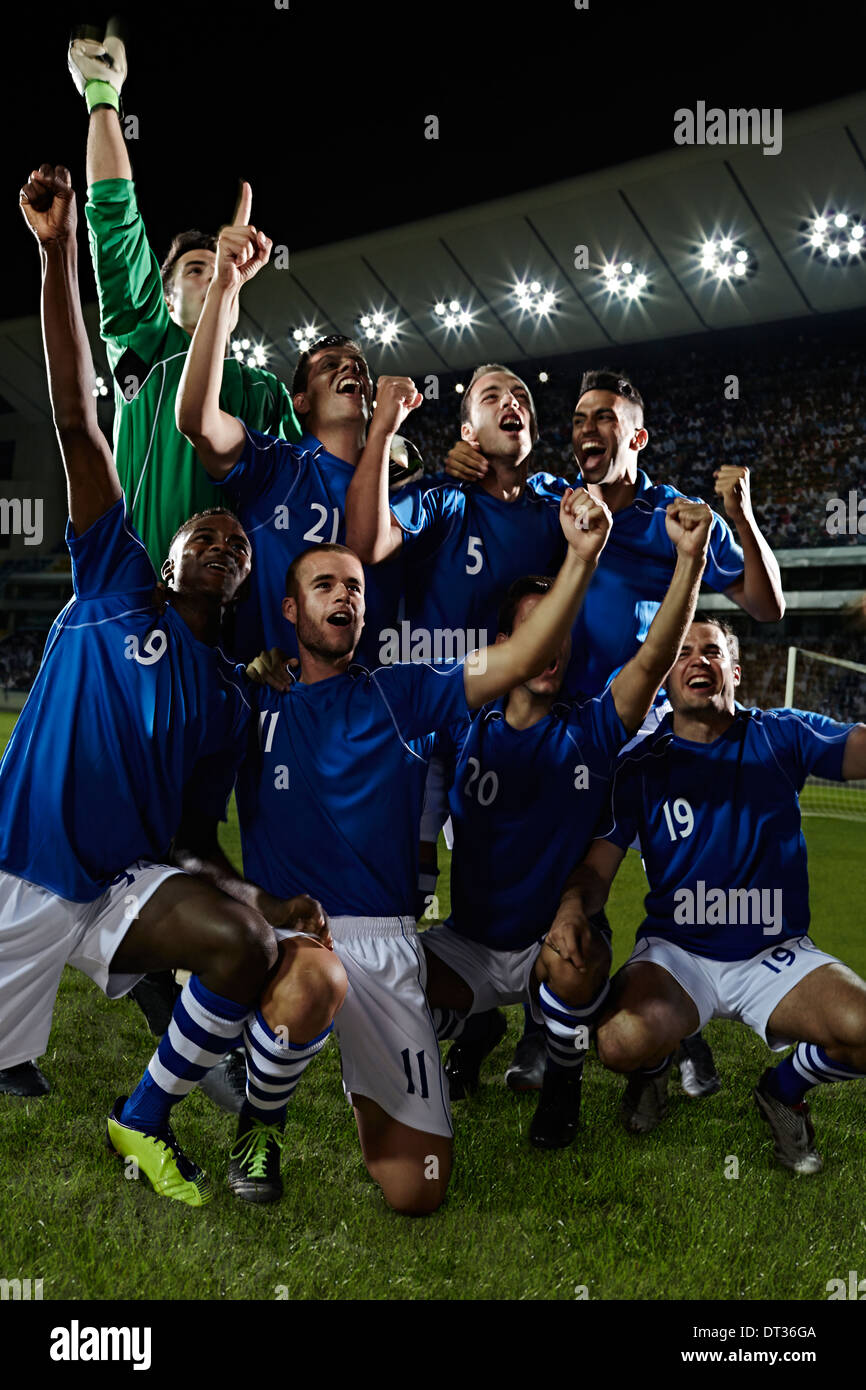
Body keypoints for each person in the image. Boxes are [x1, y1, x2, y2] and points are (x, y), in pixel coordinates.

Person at [0, 164, 344, 1206]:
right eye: (208, 527)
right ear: (173, 543)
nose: (224, 536)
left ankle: (140, 1122)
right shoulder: (111, 573)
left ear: (243, 579)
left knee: (246, 942)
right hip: (16, 875)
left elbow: (192, 840)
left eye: (238, 540)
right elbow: (75, 416)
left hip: (113, 890)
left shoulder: (227, 701)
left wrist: (263, 896)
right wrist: (58, 256)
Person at [235, 476, 613, 1213]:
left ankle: (370, 1067)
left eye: (354, 586)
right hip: (291, 933)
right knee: (314, 983)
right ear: (290, 610)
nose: (343, 595)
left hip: (385, 944)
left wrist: (582, 558)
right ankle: (259, 1121)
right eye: (323, 585)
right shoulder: (250, 697)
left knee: (420, 1190)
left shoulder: (402, 693)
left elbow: (518, 655)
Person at [445, 367, 785, 1090]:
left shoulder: (676, 515)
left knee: (660, 878)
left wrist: (742, 513)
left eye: (603, 417)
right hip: (547, 727)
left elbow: (764, 606)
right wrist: (461, 456)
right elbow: (498, 491)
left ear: (637, 434)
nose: (584, 430)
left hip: (635, 736)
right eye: (576, 419)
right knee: (528, 867)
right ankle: (510, 1021)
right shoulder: (555, 500)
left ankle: (666, 1021)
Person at [421, 494, 712, 1147]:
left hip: (549, 942)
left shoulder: (593, 727)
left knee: (579, 958)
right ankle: (463, 1042)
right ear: (504, 647)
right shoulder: (459, 722)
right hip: (467, 940)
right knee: (380, 981)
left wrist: (689, 561)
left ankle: (562, 1086)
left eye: (560, 632)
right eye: (535, 630)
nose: (550, 646)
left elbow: (654, 657)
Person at [551, 615, 866, 1170]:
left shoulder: (782, 734)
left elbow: (859, 749)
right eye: (683, 651)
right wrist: (573, 909)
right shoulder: (639, 768)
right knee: (618, 1043)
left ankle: (783, 1088)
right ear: (665, 678)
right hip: (679, 955)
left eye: (712, 651)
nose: (698, 659)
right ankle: (652, 1071)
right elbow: (597, 871)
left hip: (774, 953)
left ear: (735, 672)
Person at [67, 25, 304, 573]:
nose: (216, 274)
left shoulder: (265, 391)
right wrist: (103, 98)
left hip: (237, 630)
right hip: (143, 596)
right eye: (198, 270)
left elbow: (314, 483)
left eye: (220, 270)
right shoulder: (146, 344)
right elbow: (114, 221)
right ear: (165, 296)